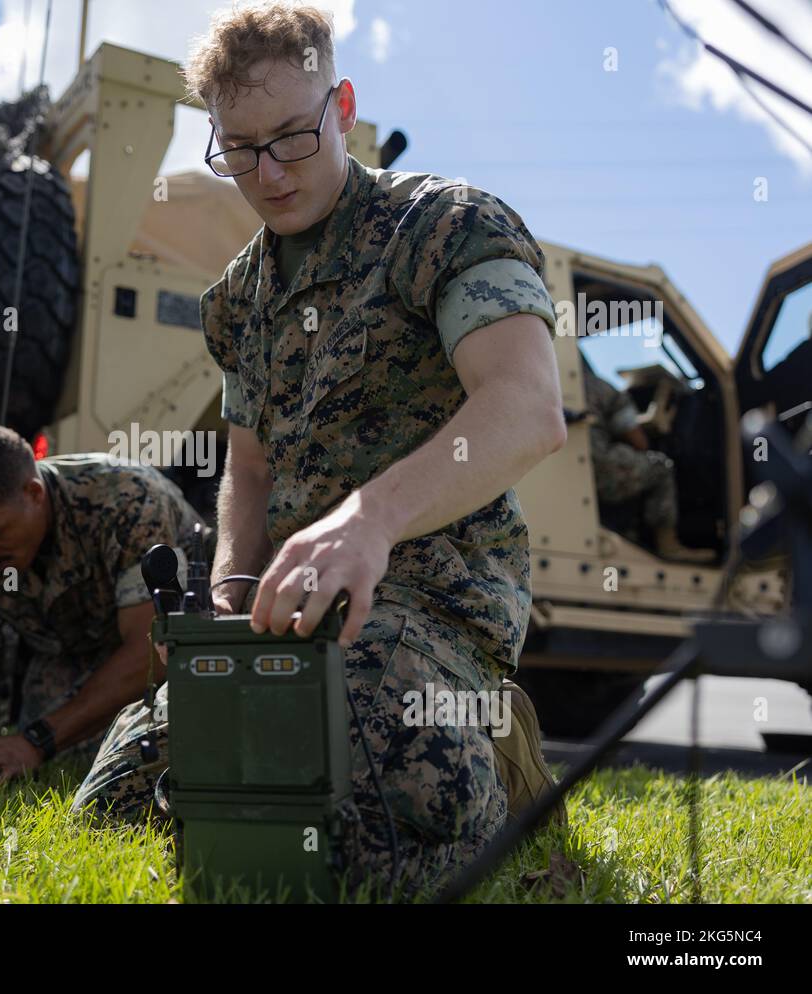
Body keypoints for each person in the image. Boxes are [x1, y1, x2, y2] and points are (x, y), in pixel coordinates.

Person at [73, 1, 566, 897]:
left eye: (294, 137)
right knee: (123, 805)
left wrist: (368, 522)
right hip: (286, 611)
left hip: (426, 602)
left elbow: (528, 408)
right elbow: (249, 467)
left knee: (361, 825)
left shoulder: (445, 228)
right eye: (240, 148)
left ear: (341, 107)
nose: (269, 172)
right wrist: (227, 592)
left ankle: (500, 745)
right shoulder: (237, 298)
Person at [0, 422, 208, 782]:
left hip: (181, 649)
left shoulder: (127, 500)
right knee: (61, 757)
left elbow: (152, 650)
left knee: (137, 756)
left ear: (34, 493)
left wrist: (35, 741)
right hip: (78, 649)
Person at [581, 361, 713, 563]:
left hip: (573, 477)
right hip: (599, 472)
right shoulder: (602, 388)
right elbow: (639, 442)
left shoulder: (551, 384)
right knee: (660, 467)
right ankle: (667, 545)